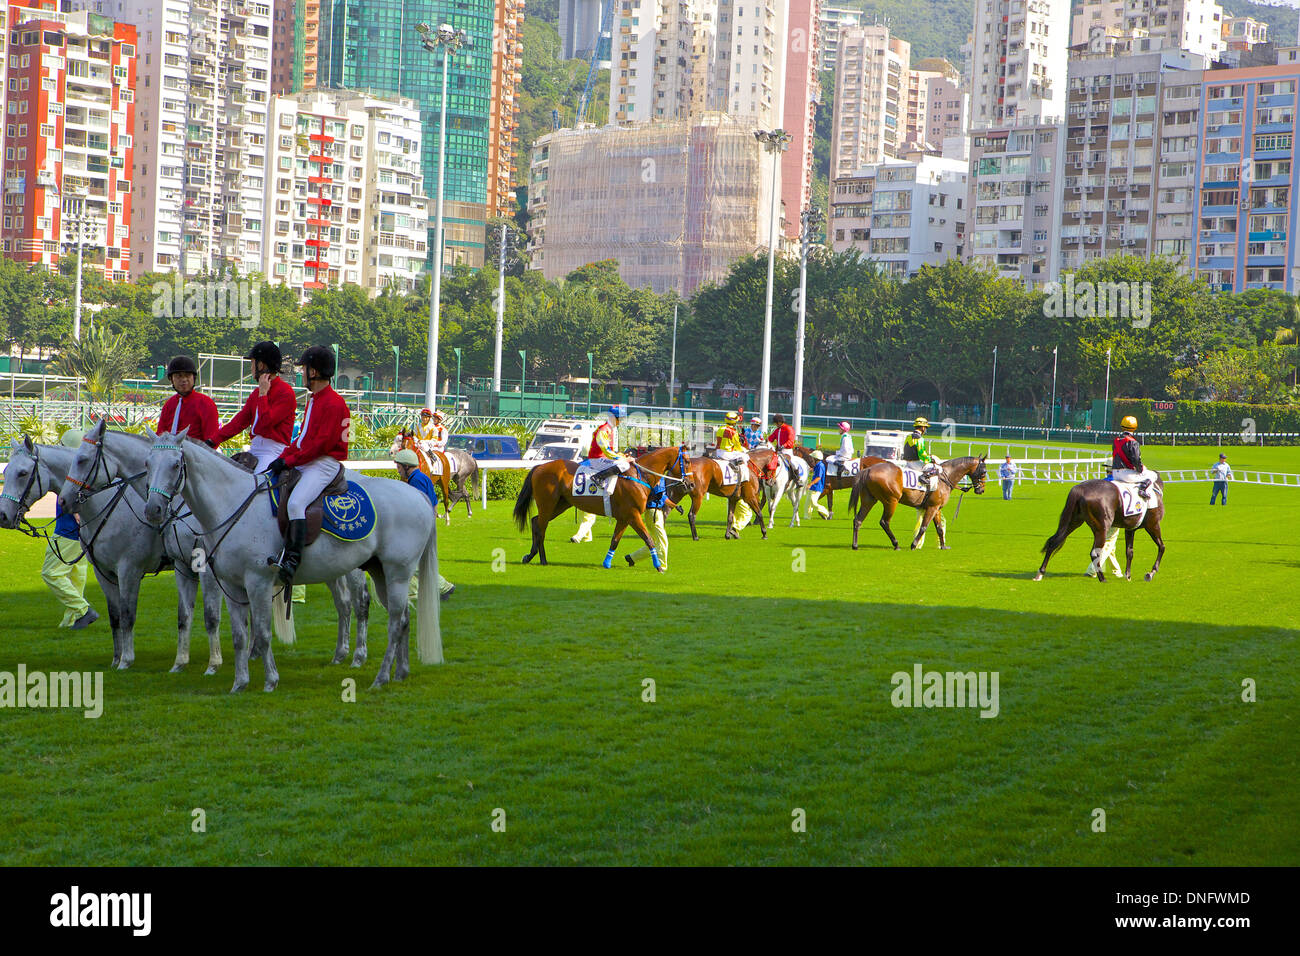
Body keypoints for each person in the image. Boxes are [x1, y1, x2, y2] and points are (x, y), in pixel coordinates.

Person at [266, 346, 351, 587]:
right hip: (310, 460)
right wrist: (283, 457)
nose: (302, 373)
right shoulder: (315, 399)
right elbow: (302, 440)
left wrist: (290, 461)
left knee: (296, 503)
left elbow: (319, 445)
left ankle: (292, 561)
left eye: (304, 369)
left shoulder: (333, 403)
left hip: (324, 463)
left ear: (313, 371)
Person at [42, 429, 98, 630]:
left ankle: (84, 610)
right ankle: (71, 621)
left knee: (51, 573)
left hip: (67, 533)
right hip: (81, 537)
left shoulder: (70, 474)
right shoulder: (83, 473)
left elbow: (77, 508)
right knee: (76, 578)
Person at [209, 341, 296, 470]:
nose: (252, 368)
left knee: (258, 485)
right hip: (254, 448)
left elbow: (266, 421)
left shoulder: (286, 392)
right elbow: (239, 422)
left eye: (252, 364)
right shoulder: (256, 393)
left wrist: (263, 395)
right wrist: (212, 441)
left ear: (261, 365)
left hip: (273, 452)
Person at [394, 449, 456, 599]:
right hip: (425, 525)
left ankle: (443, 587)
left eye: (399, 466)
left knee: (410, 560)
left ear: (407, 466)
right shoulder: (423, 477)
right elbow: (433, 502)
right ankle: (415, 591)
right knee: (410, 560)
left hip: (418, 527)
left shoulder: (416, 480)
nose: (397, 470)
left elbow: (418, 505)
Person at [571, 406, 628, 543]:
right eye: (620, 419)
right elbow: (607, 451)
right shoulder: (604, 430)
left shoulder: (611, 430)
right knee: (624, 465)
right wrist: (621, 459)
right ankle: (600, 479)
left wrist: (621, 455)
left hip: (601, 458)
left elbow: (611, 451)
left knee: (623, 462)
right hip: (596, 459)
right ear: (614, 417)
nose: (621, 422)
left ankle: (586, 535)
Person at [157, 355, 219, 444]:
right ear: (171, 379)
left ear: (194, 378)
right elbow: (160, 435)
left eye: (188, 375)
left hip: (197, 455)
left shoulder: (205, 403)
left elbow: (212, 439)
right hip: (169, 454)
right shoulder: (169, 404)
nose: (184, 380)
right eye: (179, 376)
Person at [714, 411, 755, 536]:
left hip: (718, 452)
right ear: (735, 421)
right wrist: (743, 450)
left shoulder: (720, 428)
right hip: (728, 453)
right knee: (745, 457)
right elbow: (737, 446)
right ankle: (744, 479)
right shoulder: (733, 432)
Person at [1109, 415, 1158, 506]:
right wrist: (1140, 470)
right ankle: (1142, 490)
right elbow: (1136, 459)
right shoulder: (1133, 442)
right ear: (1134, 427)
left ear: (1122, 426)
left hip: (1115, 473)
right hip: (1128, 474)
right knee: (1153, 474)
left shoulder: (1116, 440)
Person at [626, 475, 668, 571]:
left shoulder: (654, 477)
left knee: (654, 542)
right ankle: (662, 566)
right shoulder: (658, 478)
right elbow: (661, 497)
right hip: (655, 512)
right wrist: (675, 505)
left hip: (652, 512)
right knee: (662, 541)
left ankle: (632, 558)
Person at [901, 416, 941, 489]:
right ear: (922, 428)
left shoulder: (908, 436)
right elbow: (921, 453)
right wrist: (930, 460)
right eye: (925, 427)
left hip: (907, 462)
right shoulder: (919, 438)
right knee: (938, 468)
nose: (925, 429)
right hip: (916, 463)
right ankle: (923, 478)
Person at [764, 413, 797, 479]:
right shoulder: (777, 430)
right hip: (778, 451)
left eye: (776, 423)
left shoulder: (789, 428)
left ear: (779, 422)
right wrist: (765, 440)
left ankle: (797, 478)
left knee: (793, 464)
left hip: (787, 451)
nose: (775, 425)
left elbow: (791, 441)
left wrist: (783, 446)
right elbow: (771, 438)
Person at [806, 450, 829, 519]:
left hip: (817, 487)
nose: (812, 459)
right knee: (808, 503)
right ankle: (807, 517)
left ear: (816, 458)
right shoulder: (818, 465)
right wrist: (810, 469)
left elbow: (818, 477)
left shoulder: (820, 466)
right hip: (813, 487)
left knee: (813, 503)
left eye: (813, 457)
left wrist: (810, 484)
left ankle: (826, 513)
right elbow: (813, 470)